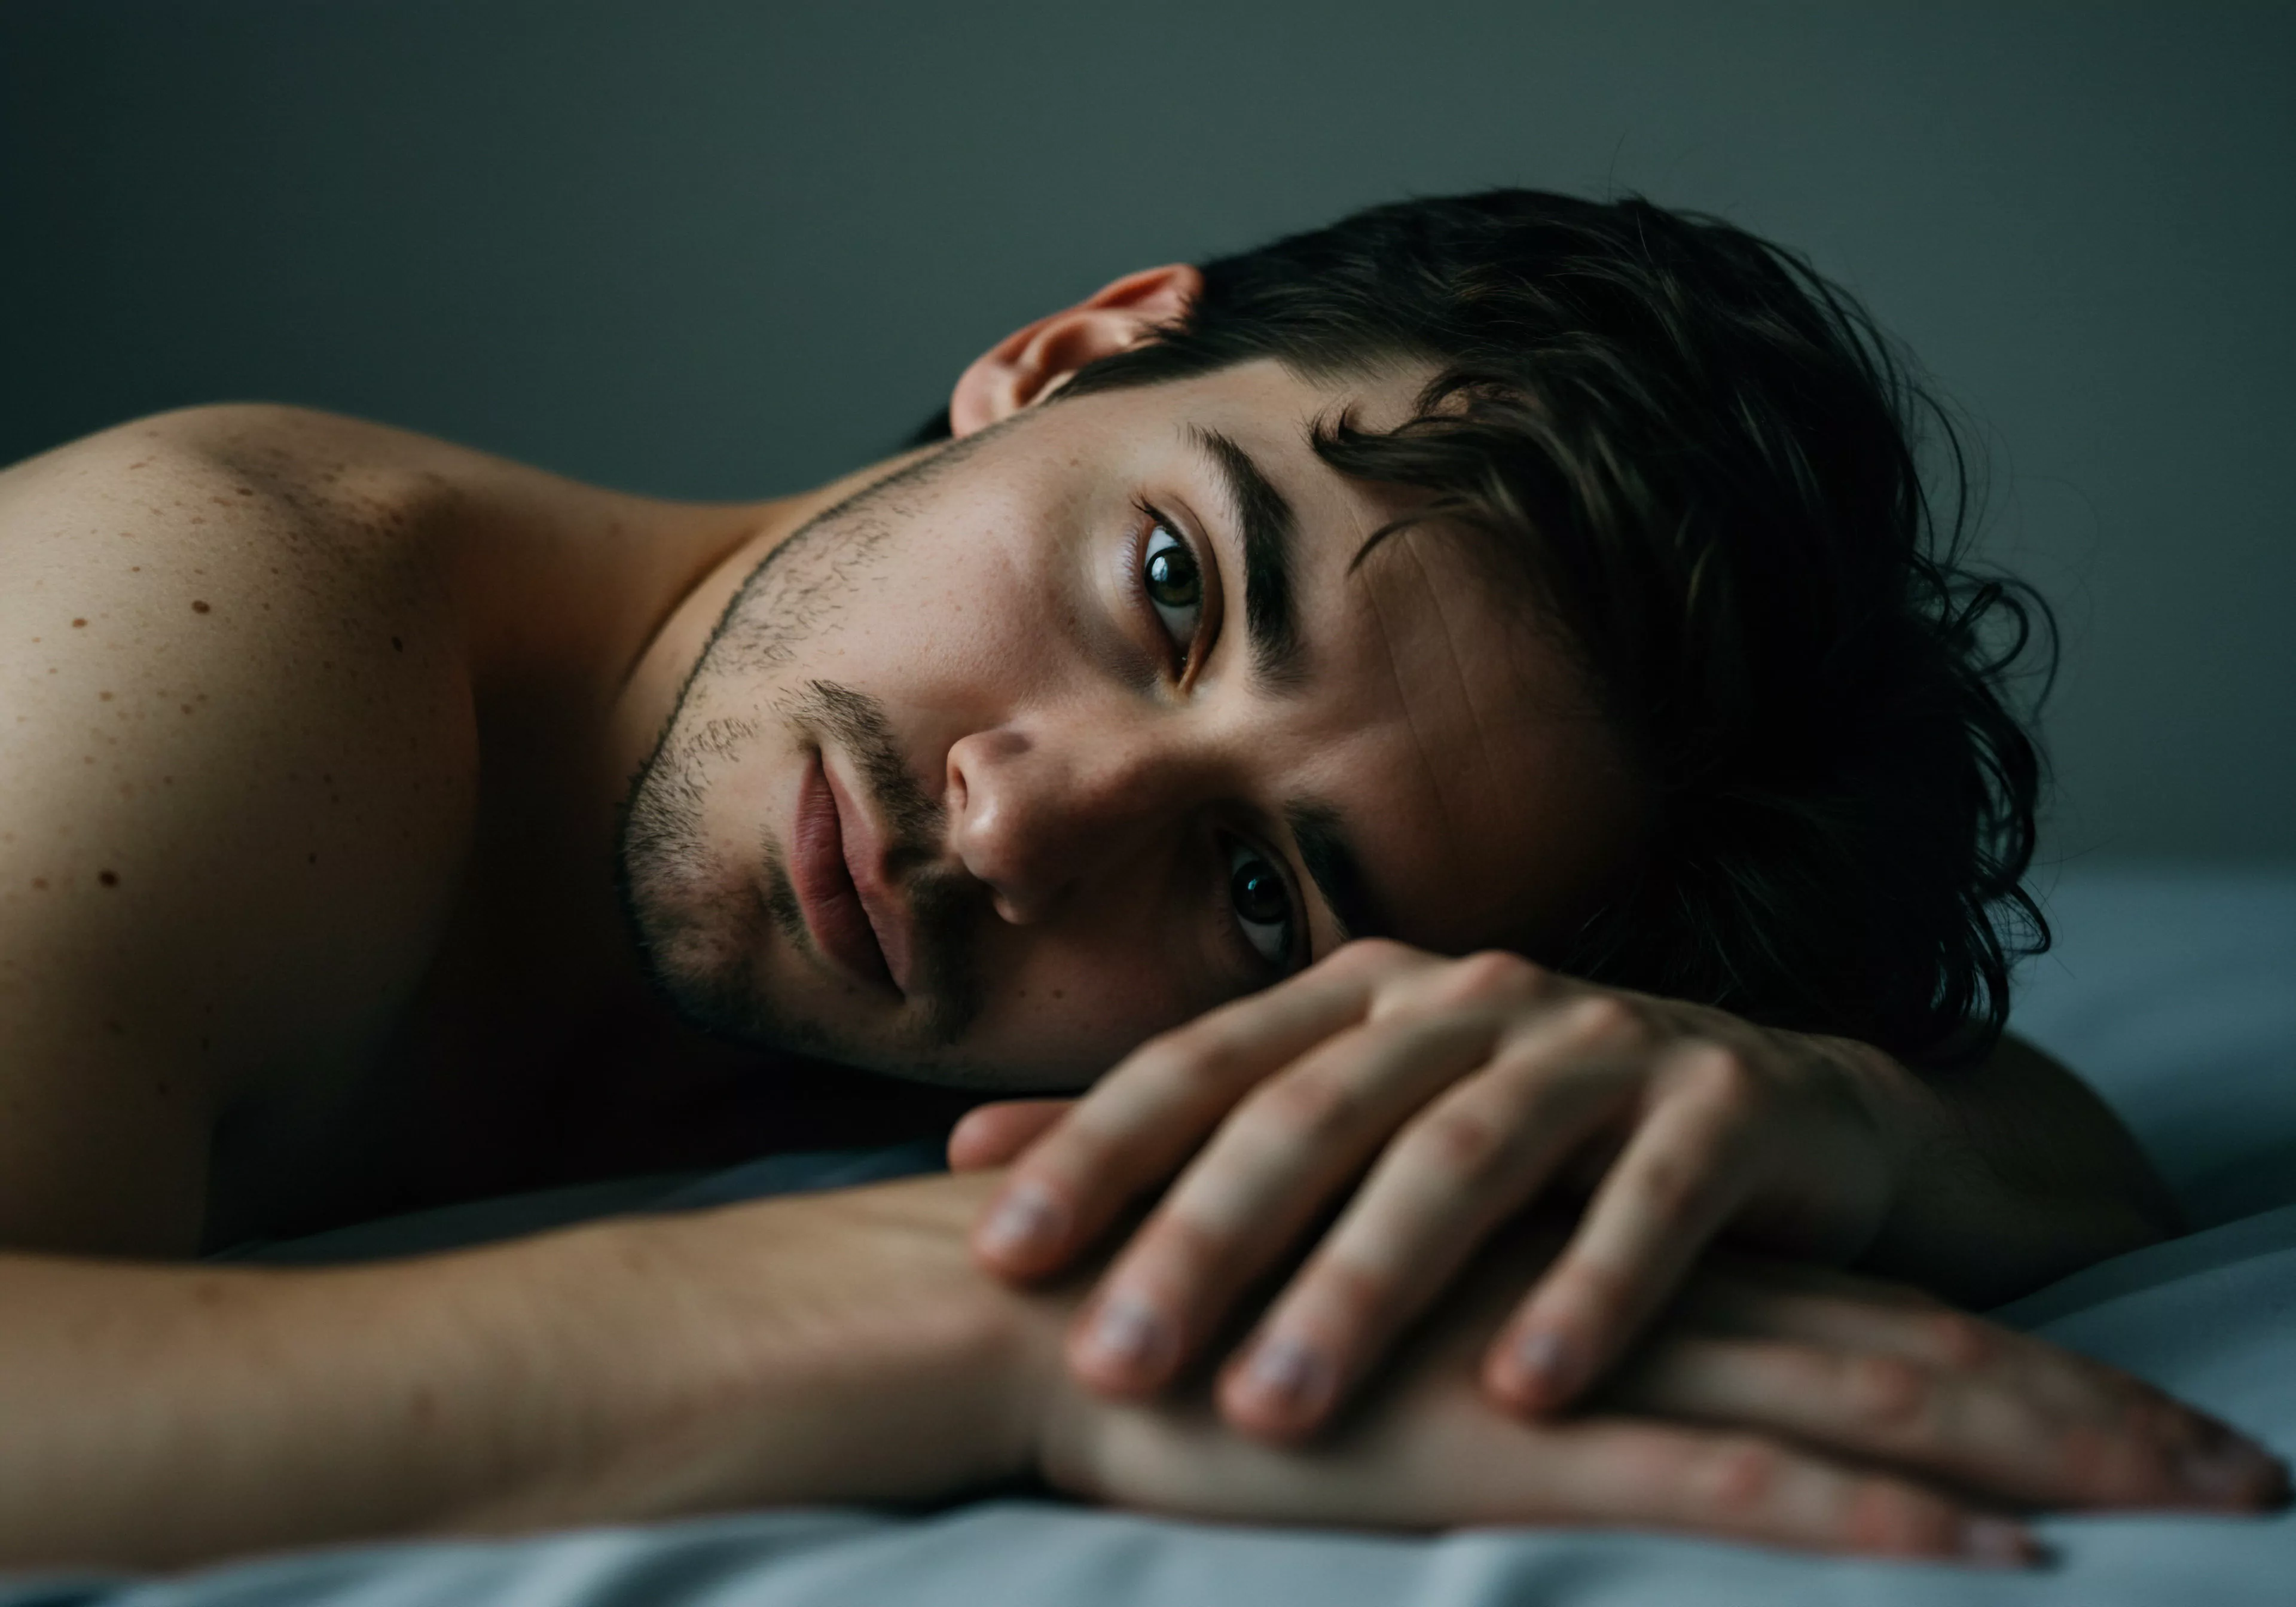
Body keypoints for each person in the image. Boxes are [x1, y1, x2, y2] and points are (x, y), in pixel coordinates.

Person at [0, 189, 2279, 1571]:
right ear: (1067, 354)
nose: (1014, 825)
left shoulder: (991, 999)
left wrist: (1829, 1110)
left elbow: (2066, 1165)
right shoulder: (205, 624)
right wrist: (1002, 1339)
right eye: (1173, 581)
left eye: (1264, 898)